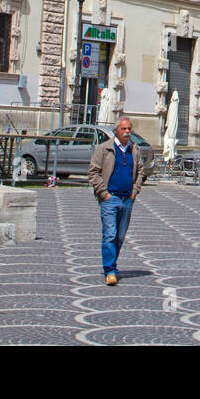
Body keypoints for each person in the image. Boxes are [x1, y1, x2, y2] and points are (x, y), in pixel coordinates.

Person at [87, 117, 144, 285]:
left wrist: (135, 192)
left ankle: (111, 264)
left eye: (129, 129)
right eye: (124, 129)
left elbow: (141, 171)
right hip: (110, 198)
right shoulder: (104, 149)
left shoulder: (135, 150)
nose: (127, 132)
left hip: (127, 199)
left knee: (119, 236)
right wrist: (104, 194)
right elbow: (93, 172)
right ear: (116, 131)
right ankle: (110, 270)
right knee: (110, 234)